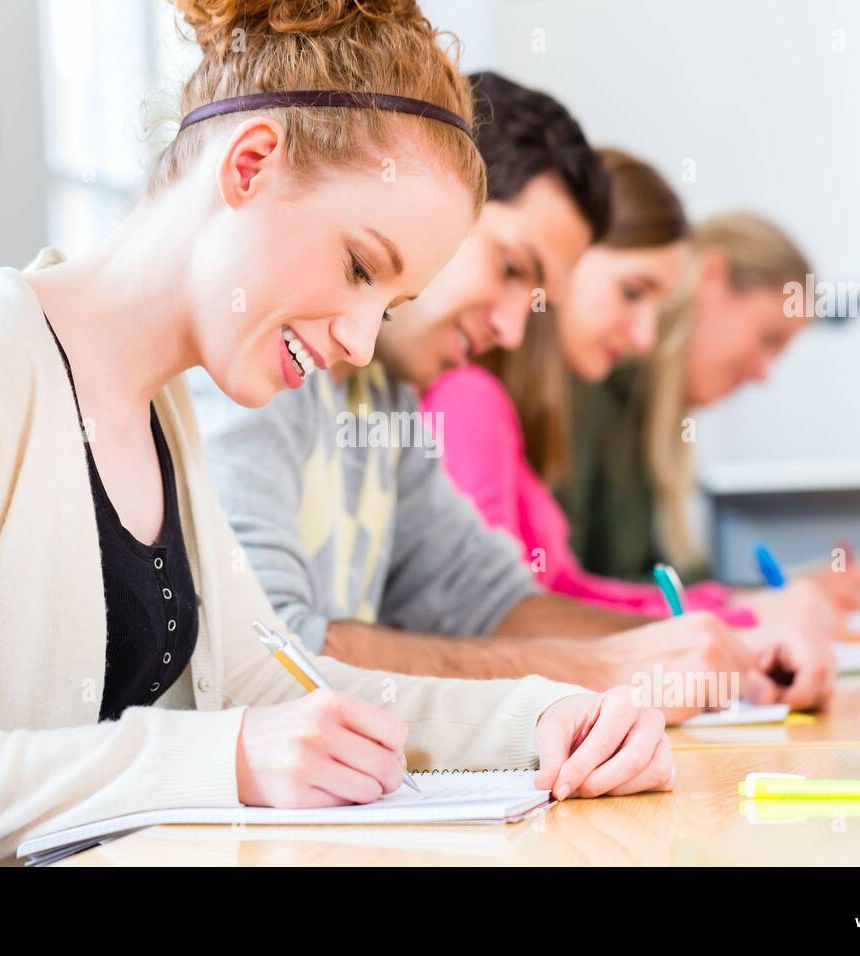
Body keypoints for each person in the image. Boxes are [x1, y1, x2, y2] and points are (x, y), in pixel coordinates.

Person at [0, 0, 674, 866]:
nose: (358, 343)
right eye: (359, 265)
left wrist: (548, 717)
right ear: (249, 164)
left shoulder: (164, 415)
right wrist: (213, 760)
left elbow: (281, 691)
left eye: (389, 306)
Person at [191, 75, 815, 719]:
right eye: (513, 269)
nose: (514, 330)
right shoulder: (260, 364)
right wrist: (601, 670)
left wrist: (722, 652)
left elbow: (492, 606)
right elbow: (275, 654)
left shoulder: (385, 400)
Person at [560, 211, 860, 617]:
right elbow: (563, 599)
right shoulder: (590, 392)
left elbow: (655, 587)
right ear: (709, 276)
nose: (763, 374)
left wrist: (777, 597)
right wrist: (750, 608)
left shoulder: (640, 415)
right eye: (768, 339)